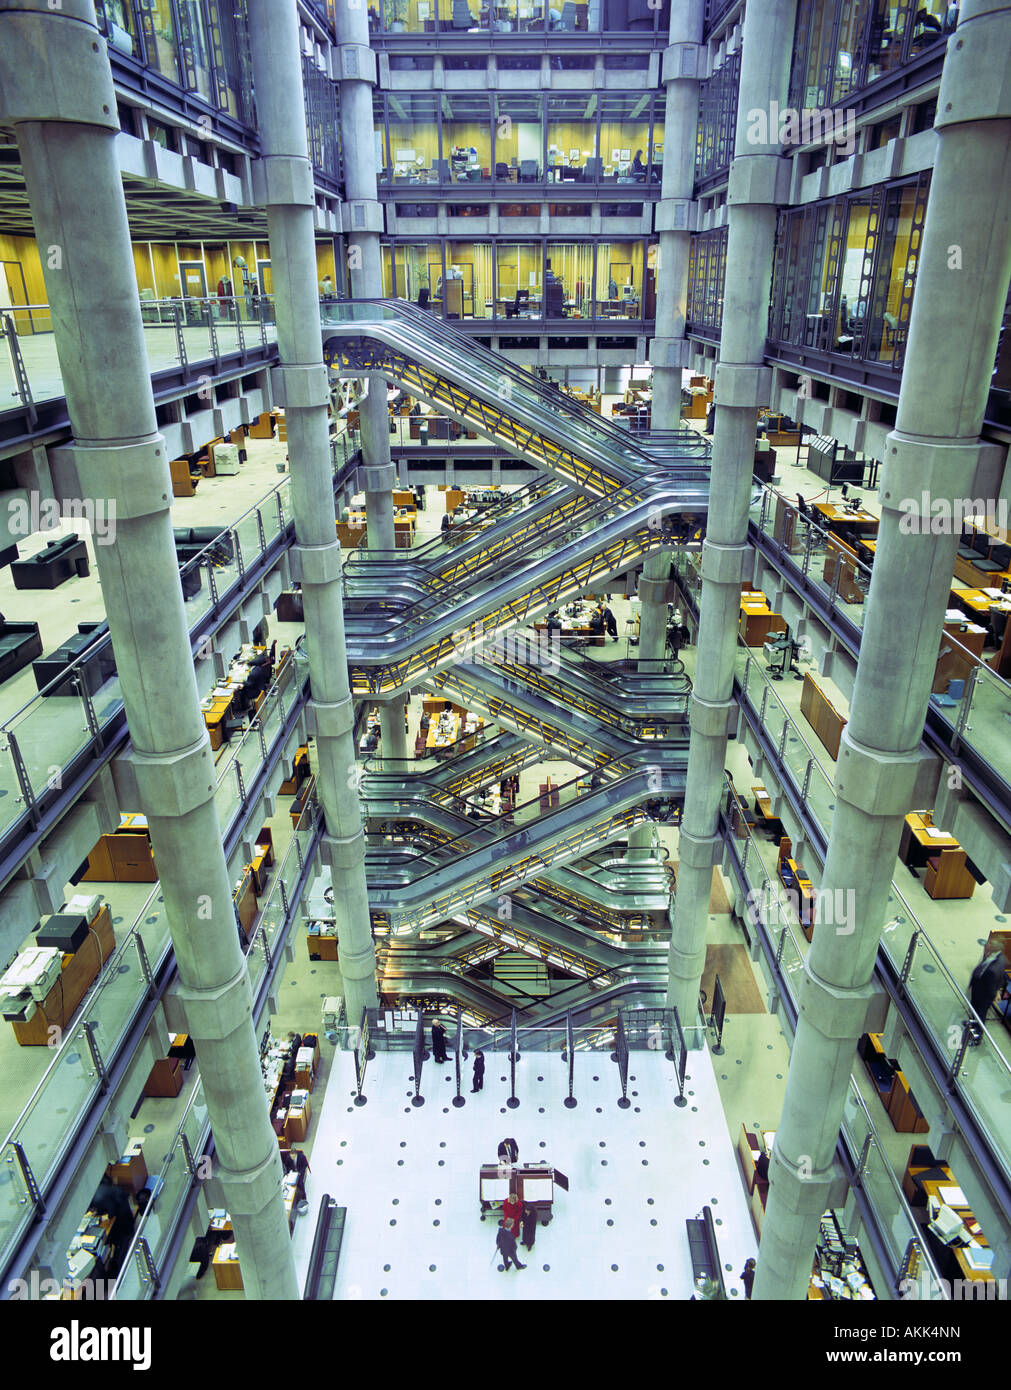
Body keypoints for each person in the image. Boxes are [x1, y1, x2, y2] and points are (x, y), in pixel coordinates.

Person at [969, 950, 1006, 1023]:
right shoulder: (994, 956)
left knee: (980, 1014)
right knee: (974, 1010)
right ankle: (972, 1022)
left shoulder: (995, 968)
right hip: (978, 988)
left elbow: (994, 983)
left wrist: (995, 994)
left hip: (983, 995)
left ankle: (978, 1030)